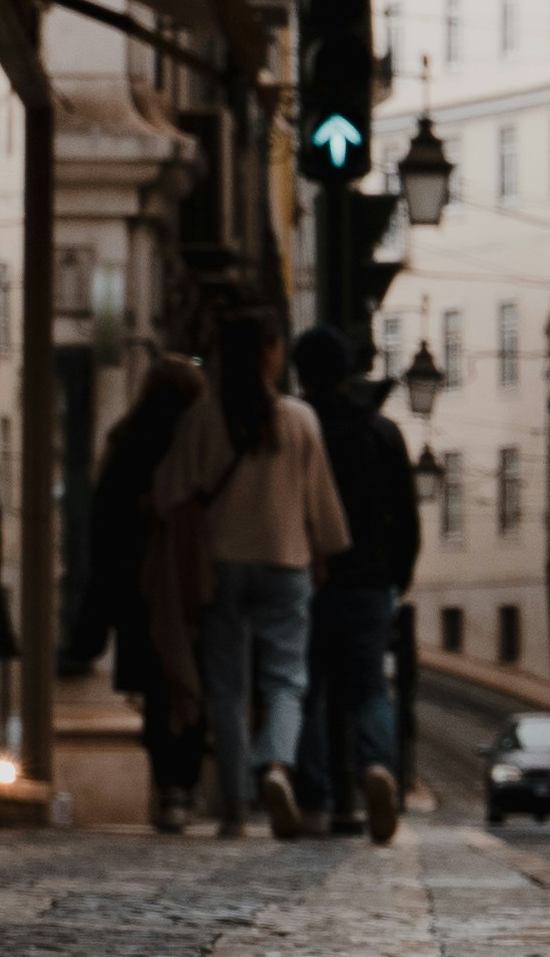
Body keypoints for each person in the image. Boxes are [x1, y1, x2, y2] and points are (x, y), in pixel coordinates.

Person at [149, 310, 348, 840]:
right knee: (286, 677)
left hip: (222, 568)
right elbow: (323, 508)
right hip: (287, 562)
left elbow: (168, 491)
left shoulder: (202, 418)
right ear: (269, 352)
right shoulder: (300, 419)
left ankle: (236, 805)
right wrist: (324, 551)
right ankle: (276, 765)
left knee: (226, 688)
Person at [286, 325, 421, 841]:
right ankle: (378, 769)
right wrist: (396, 578)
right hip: (368, 581)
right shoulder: (381, 433)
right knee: (369, 690)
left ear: (301, 373)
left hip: (307, 577)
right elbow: (406, 519)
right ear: (347, 372)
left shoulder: (297, 428)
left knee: (307, 691)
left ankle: (315, 800)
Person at [79, 350, 210, 829]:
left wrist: (105, 589)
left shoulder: (126, 439)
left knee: (157, 691)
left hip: (138, 584)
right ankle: (186, 785)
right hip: (193, 581)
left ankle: (167, 790)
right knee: (191, 685)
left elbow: (103, 521)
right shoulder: (198, 442)